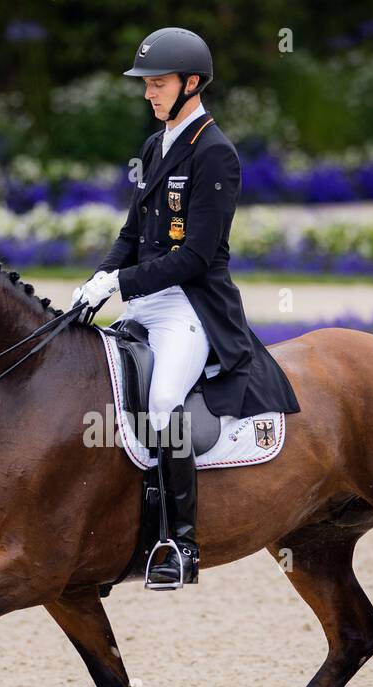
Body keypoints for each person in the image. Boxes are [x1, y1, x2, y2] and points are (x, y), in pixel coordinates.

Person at [73, 26, 301, 590]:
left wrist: (121, 282)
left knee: (164, 397)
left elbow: (196, 255)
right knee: (97, 383)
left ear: (191, 83)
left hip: (191, 307)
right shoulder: (156, 146)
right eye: (146, 84)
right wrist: (99, 277)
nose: (149, 93)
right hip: (149, 300)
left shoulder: (216, 154)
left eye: (159, 83)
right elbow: (132, 231)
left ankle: (181, 543)